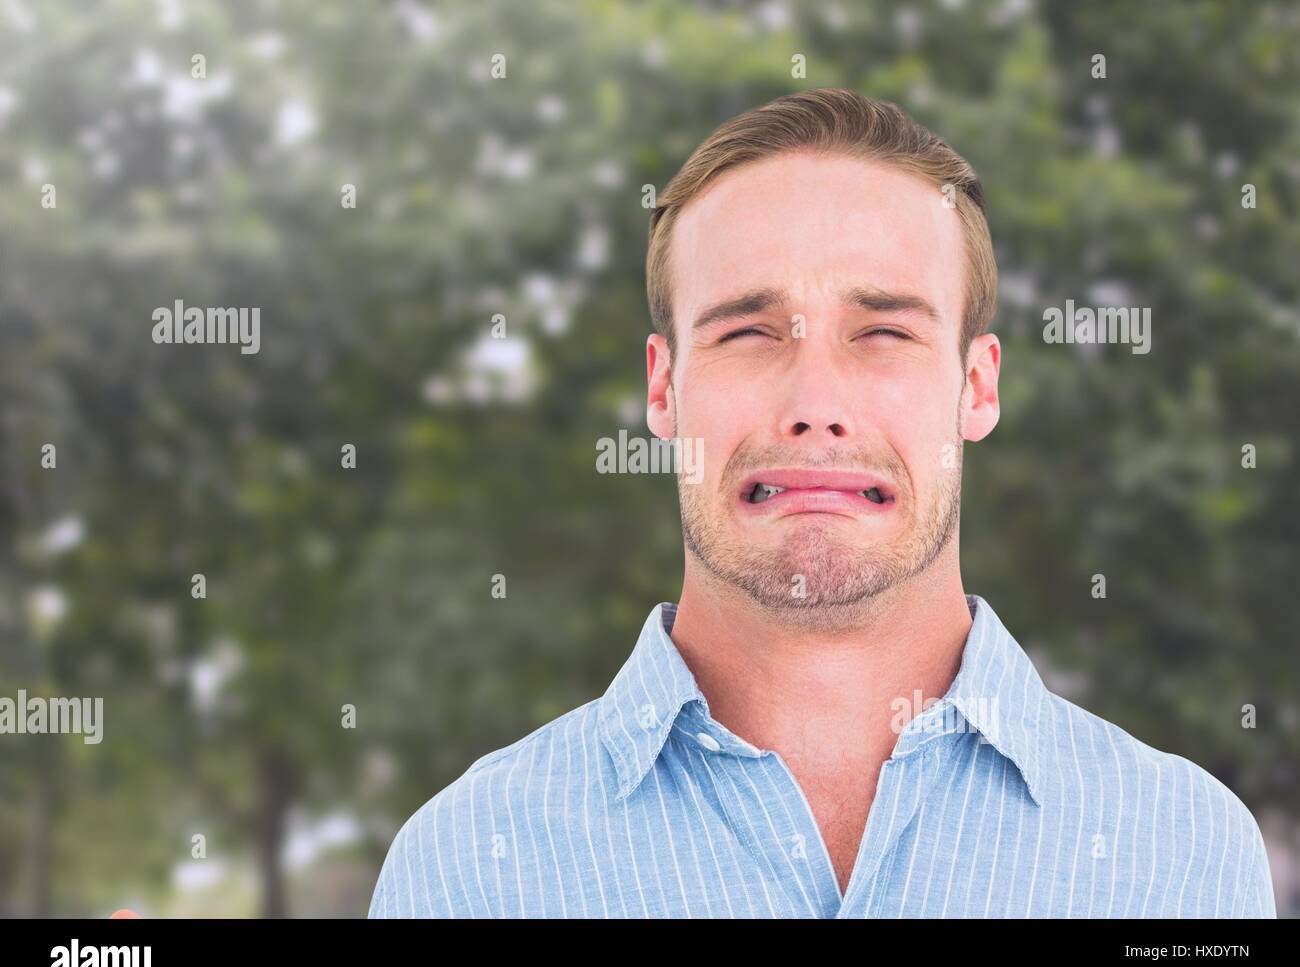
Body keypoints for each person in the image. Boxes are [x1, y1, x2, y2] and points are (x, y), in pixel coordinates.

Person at [369, 88, 1275, 918]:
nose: (816, 405)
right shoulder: (464, 874)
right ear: (662, 388)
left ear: (977, 386)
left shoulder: (1184, 860)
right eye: (749, 331)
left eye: (882, 331)